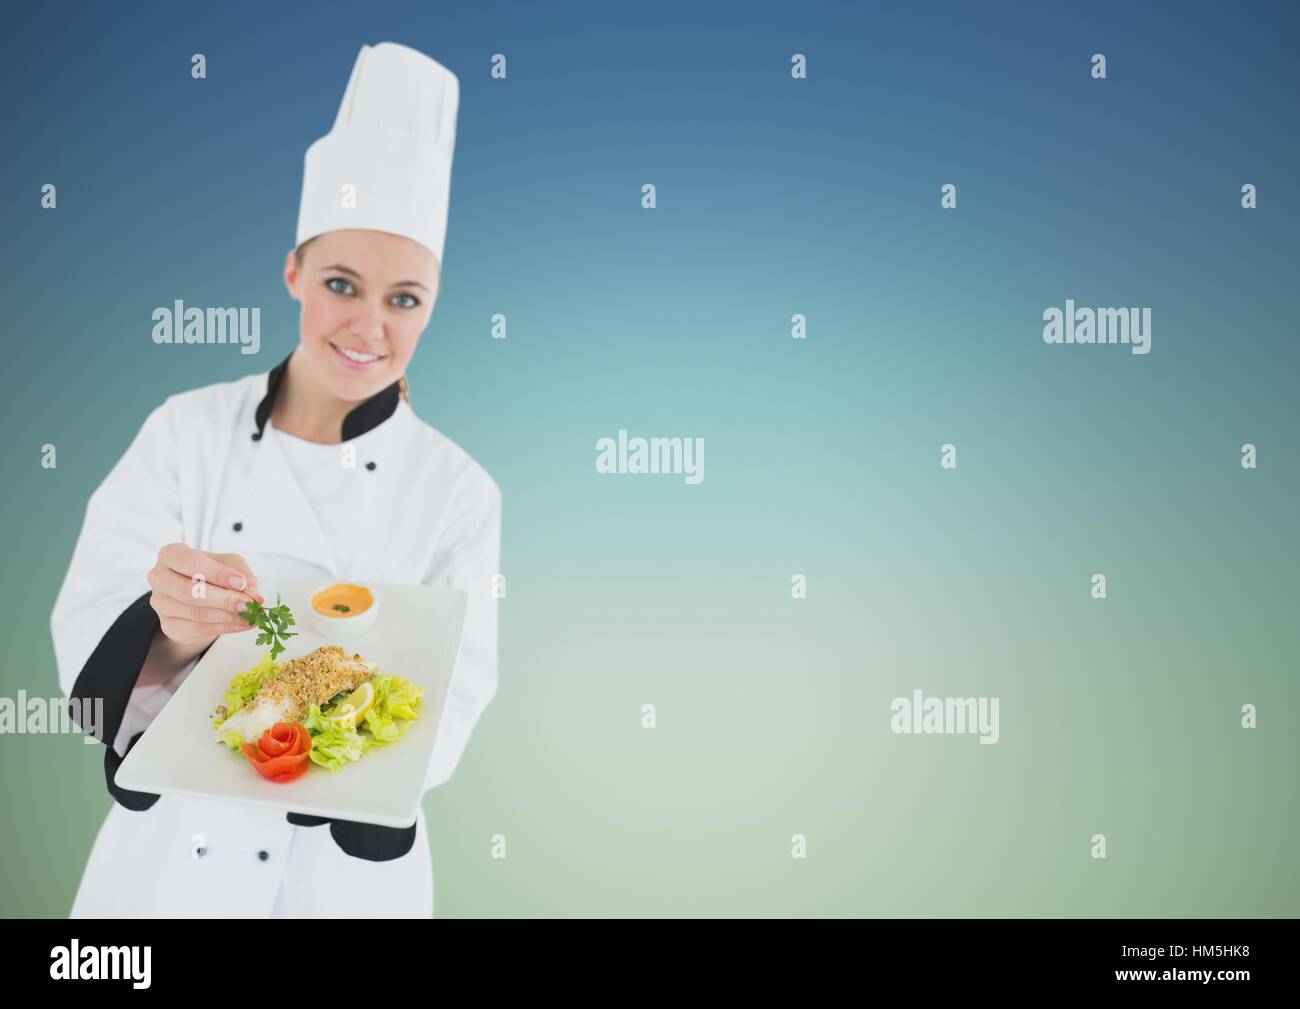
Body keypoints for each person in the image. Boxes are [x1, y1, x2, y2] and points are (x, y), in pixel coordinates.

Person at [49, 41, 500, 917]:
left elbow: (457, 695)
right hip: (163, 876)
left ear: (433, 305)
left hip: (343, 885)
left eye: (405, 297)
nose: (370, 325)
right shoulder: (186, 429)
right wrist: (171, 630)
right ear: (293, 271)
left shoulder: (458, 489)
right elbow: (89, 617)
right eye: (341, 283)